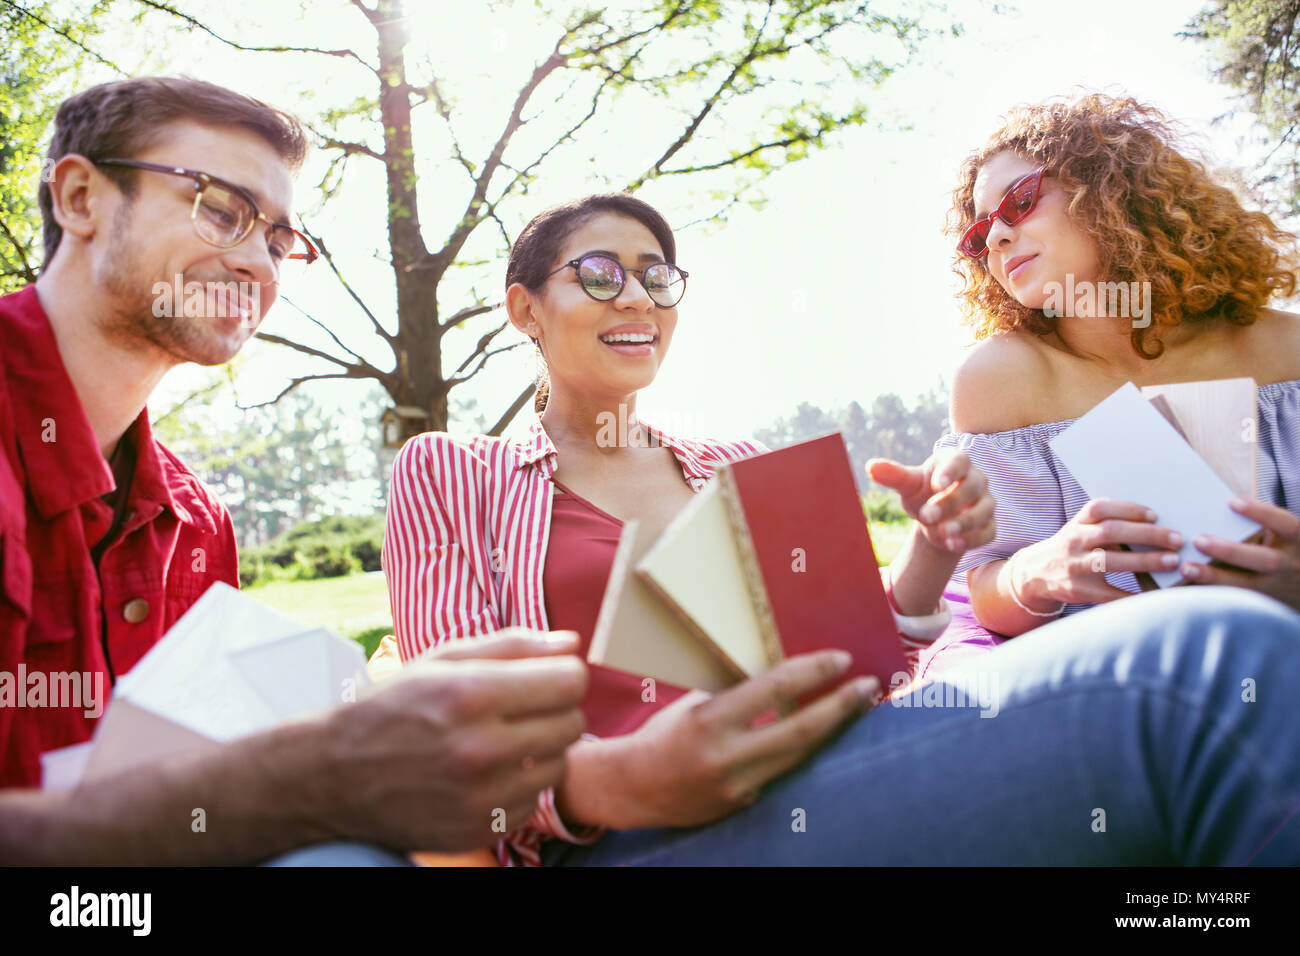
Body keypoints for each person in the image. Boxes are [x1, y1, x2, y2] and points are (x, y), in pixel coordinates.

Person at [383, 192, 1300, 866]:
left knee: (1201, 657)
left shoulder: (736, 462)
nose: (637, 297)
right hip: (630, 838)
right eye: (599, 273)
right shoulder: (454, 473)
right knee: (1213, 652)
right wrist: (627, 776)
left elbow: (867, 650)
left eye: (658, 276)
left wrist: (936, 545)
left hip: (827, 772)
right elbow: (449, 747)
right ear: (524, 308)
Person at [0, 76, 588, 865]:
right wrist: (303, 780)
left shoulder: (196, 522)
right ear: (79, 198)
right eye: (220, 209)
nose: (258, 267)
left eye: (279, 242)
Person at [920, 94, 1300, 675]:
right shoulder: (1002, 379)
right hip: (1116, 688)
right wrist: (1038, 572)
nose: (995, 238)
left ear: (1112, 189)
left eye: (1019, 202)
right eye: (978, 236)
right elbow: (984, 595)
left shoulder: (1286, 349)